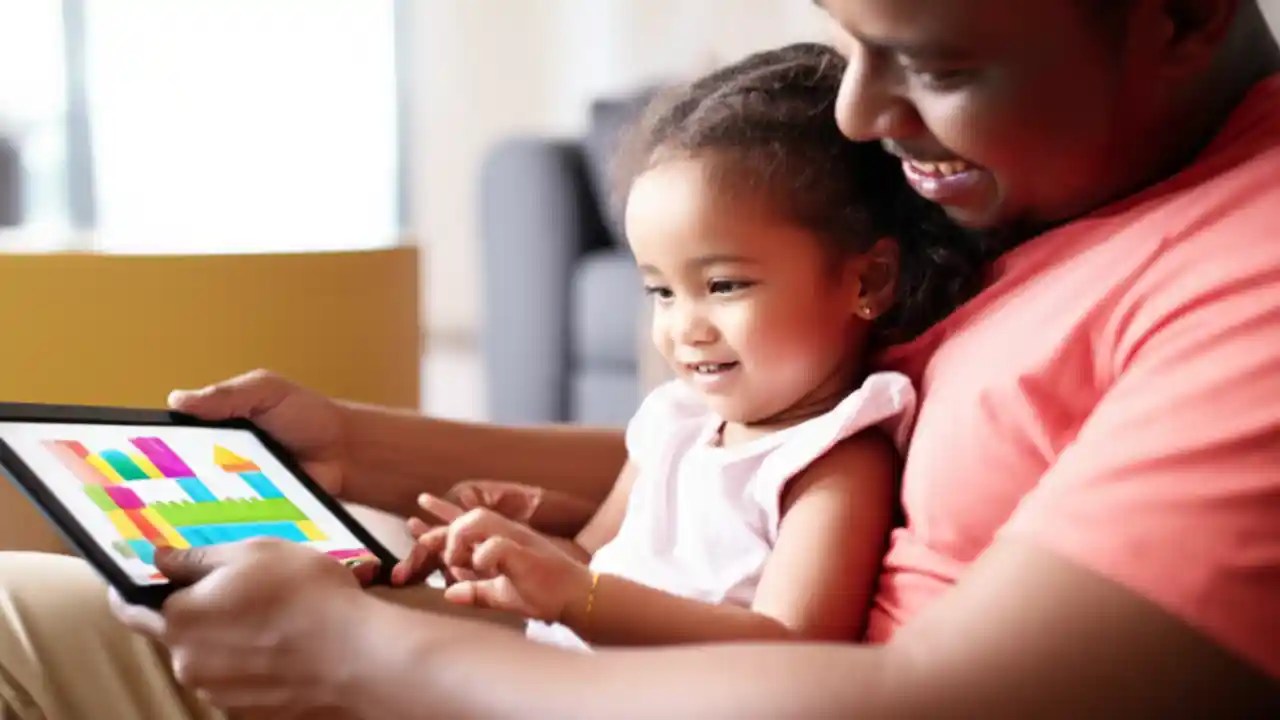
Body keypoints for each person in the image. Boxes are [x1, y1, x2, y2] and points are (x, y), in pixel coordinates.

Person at [1, 0, 1278, 717]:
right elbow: (722, 468)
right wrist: (366, 446)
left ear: (1177, 15)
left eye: (936, 66)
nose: (856, 118)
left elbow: (941, 698)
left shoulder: (1246, 273)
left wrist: (367, 655)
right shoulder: (1036, 182)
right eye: (845, 42)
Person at [390, 43, 976, 650]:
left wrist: (573, 596)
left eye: (723, 285)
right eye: (661, 292)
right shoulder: (676, 421)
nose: (684, 328)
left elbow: (789, 642)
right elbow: (593, 556)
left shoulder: (830, 461)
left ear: (867, 281)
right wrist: (514, 554)